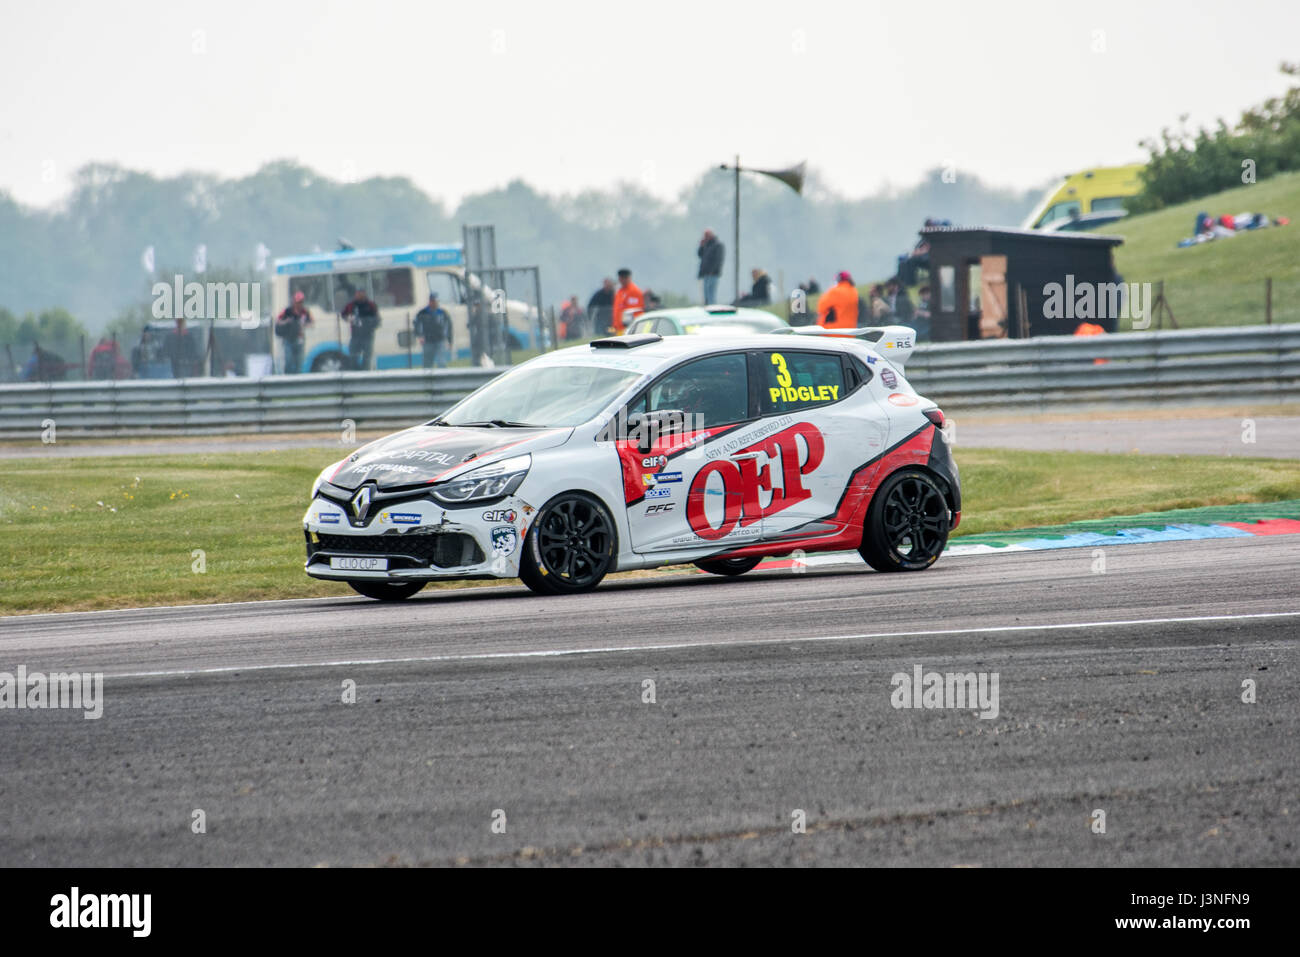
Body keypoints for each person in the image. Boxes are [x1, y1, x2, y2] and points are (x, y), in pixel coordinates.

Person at [275, 291, 314, 374]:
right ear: (294, 302)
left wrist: (304, 324)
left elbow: (311, 323)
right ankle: (288, 378)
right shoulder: (287, 311)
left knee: (299, 362)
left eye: (301, 302)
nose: (299, 304)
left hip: (300, 339)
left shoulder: (305, 312)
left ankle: (298, 378)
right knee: (289, 361)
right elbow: (278, 320)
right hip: (288, 339)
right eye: (297, 302)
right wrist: (286, 321)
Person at [341, 288, 380, 370]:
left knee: (367, 357)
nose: (359, 295)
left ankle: (365, 372)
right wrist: (349, 318)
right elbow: (343, 315)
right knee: (353, 356)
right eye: (358, 293)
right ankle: (355, 372)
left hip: (368, 336)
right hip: (355, 336)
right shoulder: (351, 305)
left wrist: (369, 323)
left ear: (364, 294)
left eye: (361, 293)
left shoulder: (370, 305)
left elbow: (377, 320)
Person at [413, 292, 452, 368]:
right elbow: (416, 324)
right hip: (428, 341)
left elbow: (449, 326)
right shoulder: (422, 313)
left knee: (441, 362)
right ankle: (427, 379)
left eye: (436, 301)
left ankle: (442, 378)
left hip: (440, 340)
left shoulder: (442, 313)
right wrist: (420, 335)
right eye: (433, 301)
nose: (435, 303)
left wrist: (449, 340)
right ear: (430, 301)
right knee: (427, 363)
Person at [612, 268, 645, 334]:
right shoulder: (620, 291)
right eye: (620, 278)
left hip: (629, 329)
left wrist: (630, 327)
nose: (621, 280)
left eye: (624, 278)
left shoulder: (634, 291)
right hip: (619, 329)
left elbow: (635, 311)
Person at [697, 229, 725, 304]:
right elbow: (700, 255)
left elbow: (718, 260)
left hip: (713, 274)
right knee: (706, 294)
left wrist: (712, 271)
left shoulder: (718, 245)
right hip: (705, 274)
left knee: (711, 294)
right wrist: (701, 246)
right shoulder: (706, 245)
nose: (705, 237)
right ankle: (707, 307)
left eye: (707, 235)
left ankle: (712, 307)